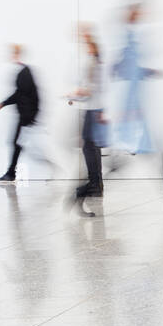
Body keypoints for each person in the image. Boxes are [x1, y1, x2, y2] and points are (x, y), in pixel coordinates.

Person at [109, 0, 163, 213]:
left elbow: (130, 71)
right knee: (142, 154)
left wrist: (158, 73)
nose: (143, 15)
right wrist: (130, 111)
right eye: (138, 11)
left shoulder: (130, 41)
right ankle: (87, 187)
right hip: (136, 112)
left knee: (153, 153)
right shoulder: (129, 42)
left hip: (139, 111)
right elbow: (129, 77)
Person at [0, 44, 40, 182]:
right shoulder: (24, 71)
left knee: (20, 144)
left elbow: (21, 94)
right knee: (18, 144)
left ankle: (11, 173)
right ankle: (11, 173)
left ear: (17, 55)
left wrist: (3, 103)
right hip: (26, 114)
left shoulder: (24, 72)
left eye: (12, 54)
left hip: (26, 115)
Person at [71, 25, 105, 199]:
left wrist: (74, 95)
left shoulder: (94, 62)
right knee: (91, 146)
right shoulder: (96, 61)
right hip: (94, 108)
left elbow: (91, 89)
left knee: (89, 146)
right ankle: (96, 184)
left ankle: (95, 184)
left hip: (94, 109)